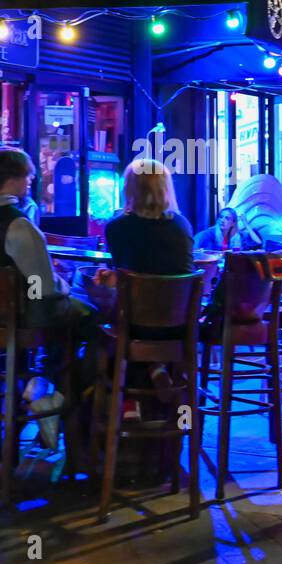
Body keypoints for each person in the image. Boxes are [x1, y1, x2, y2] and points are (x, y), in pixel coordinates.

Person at [0, 147, 101, 444]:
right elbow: (40, 285)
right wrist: (64, 285)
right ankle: (53, 392)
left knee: (63, 314)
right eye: (29, 177)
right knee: (89, 317)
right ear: (15, 179)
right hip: (22, 315)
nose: (30, 183)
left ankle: (36, 384)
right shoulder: (17, 223)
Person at [100, 160, 196, 416]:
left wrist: (110, 280)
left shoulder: (117, 228)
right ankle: (155, 369)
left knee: (96, 323)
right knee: (137, 320)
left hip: (134, 326)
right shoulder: (182, 226)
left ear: (130, 189)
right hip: (179, 327)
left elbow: (125, 273)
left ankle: (125, 405)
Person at [193, 206, 259, 252]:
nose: (222, 220)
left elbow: (257, 243)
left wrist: (246, 224)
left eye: (227, 218)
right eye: (221, 217)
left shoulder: (239, 236)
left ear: (233, 223)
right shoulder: (209, 234)